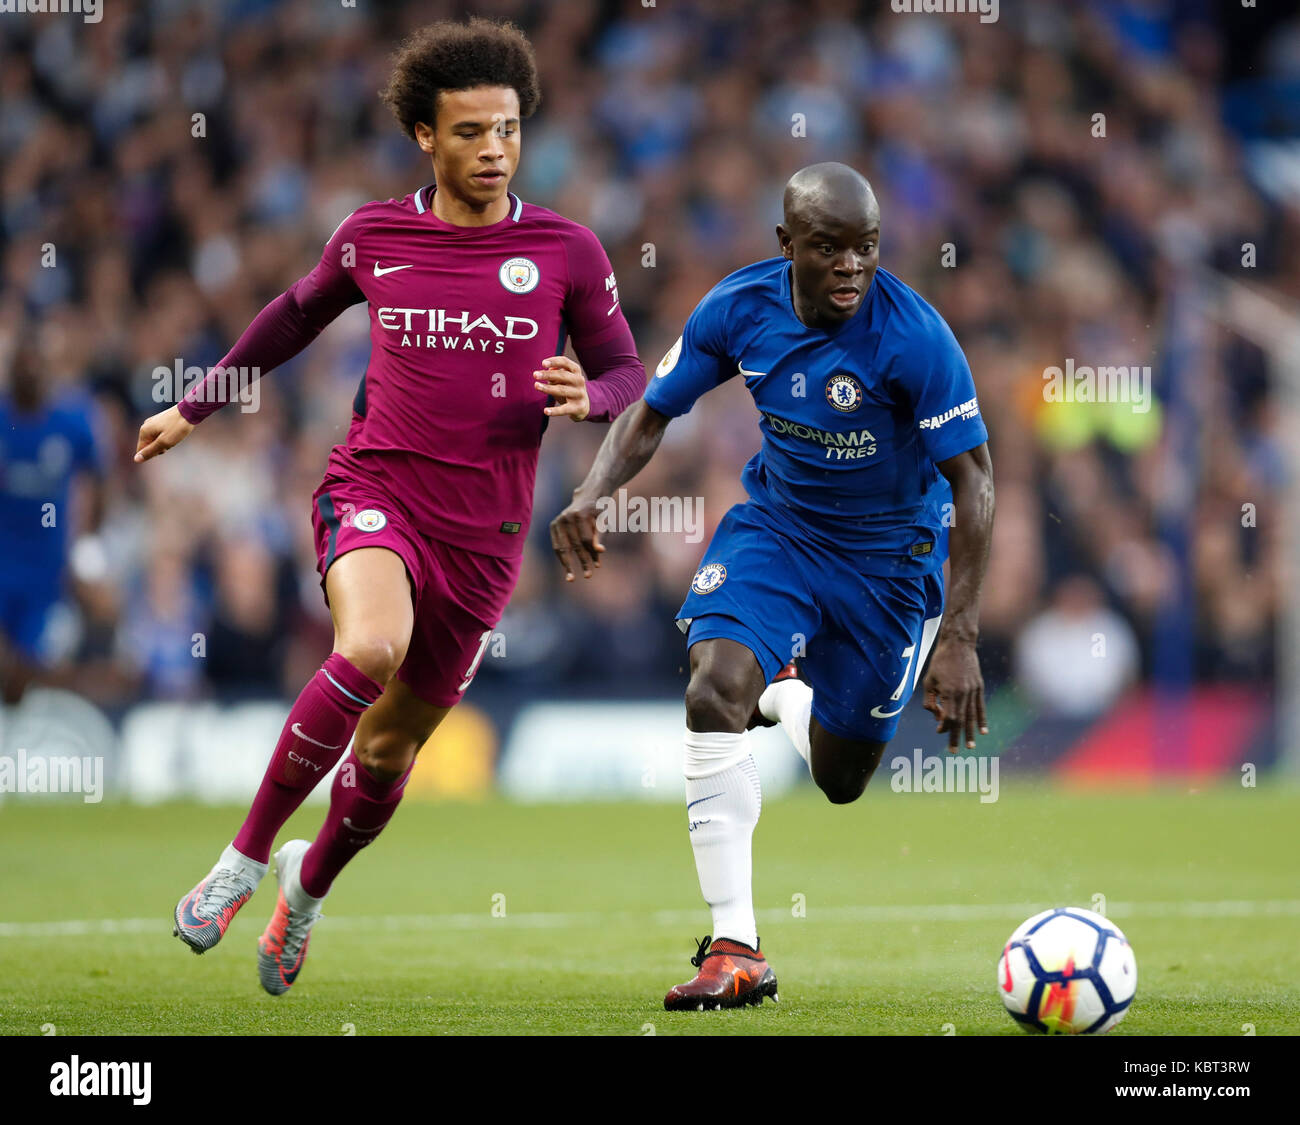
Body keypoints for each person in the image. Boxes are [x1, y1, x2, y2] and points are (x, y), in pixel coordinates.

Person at [135, 17, 644, 995]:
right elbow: (293, 314)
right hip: (374, 490)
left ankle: (307, 889)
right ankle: (242, 858)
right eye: (469, 133)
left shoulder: (567, 250)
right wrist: (194, 406)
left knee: (386, 749)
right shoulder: (374, 235)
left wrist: (596, 396)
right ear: (424, 135)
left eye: (507, 130)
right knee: (366, 649)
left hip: (486, 539)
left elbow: (625, 370)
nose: (493, 150)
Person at [551, 162, 994, 1010]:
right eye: (828, 249)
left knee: (839, 779)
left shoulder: (916, 337)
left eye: (865, 248)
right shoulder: (737, 308)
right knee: (713, 688)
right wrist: (590, 495)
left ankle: (789, 699)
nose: (851, 268)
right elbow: (649, 411)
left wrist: (961, 635)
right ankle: (736, 946)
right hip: (780, 533)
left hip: (890, 567)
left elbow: (977, 484)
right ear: (788, 245)